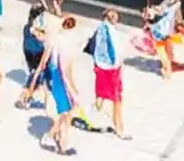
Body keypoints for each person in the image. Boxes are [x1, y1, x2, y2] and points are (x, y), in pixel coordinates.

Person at [32, 15, 79, 155]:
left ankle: (63, 143)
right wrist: (73, 87)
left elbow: (44, 61)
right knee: (65, 112)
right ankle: (50, 136)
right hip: (60, 78)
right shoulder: (68, 43)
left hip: (54, 76)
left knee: (64, 112)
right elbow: (67, 68)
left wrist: (36, 78)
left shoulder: (55, 39)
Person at [88, 8, 129, 139]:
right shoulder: (107, 30)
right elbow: (113, 51)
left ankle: (93, 118)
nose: (115, 18)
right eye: (113, 16)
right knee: (116, 98)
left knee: (101, 94)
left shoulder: (103, 29)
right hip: (110, 69)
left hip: (102, 67)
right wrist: (116, 64)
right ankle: (119, 127)